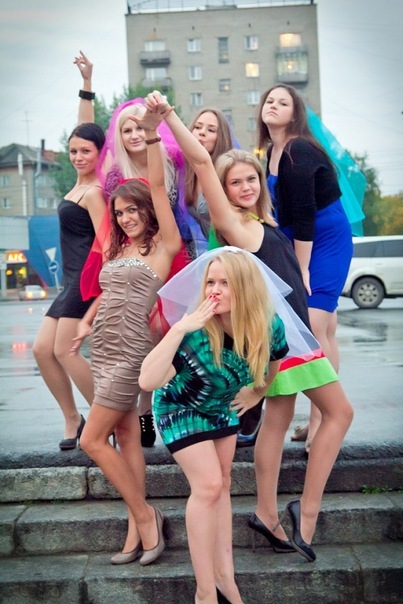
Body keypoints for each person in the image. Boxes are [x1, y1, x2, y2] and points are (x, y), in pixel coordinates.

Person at [145, 92, 353, 562]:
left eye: (251, 179)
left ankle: (268, 514)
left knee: (276, 424)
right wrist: (170, 117)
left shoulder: (264, 219)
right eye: (234, 182)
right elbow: (201, 160)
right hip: (287, 338)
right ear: (222, 189)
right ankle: (305, 515)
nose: (245, 186)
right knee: (339, 413)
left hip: (286, 335)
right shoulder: (235, 225)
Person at [139, 248, 290, 604]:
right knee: (208, 486)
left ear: (245, 288)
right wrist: (180, 327)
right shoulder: (195, 333)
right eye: (210, 282)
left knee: (222, 484)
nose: (215, 290)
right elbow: (147, 380)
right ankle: (204, 591)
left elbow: (275, 361)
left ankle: (226, 579)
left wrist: (256, 393)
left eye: (225, 283)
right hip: (180, 408)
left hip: (221, 407)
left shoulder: (268, 325)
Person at [70, 107, 182, 566]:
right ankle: (136, 530)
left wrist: (153, 135)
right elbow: (109, 291)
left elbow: (156, 184)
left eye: (133, 209)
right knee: (124, 436)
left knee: (90, 440)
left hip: (131, 350)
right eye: (119, 212)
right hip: (102, 348)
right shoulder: (120, 248)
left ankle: (146, 516)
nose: (126, 217)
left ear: (148, 210)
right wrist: (85, 322)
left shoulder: (163, 245)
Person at [74, 50, 184, 447]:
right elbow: (85, 138)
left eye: (140, 128)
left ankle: (158, 408)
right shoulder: (114, 172)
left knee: (162, 335)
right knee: (129, 333)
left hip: (165, 252)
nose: (134, 134)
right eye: (126, 129)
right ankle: (135, 415)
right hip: (128, 257)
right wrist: (87, 87)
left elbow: (163, 189)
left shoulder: (169, 160)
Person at [257, 84, 353, 453]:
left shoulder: (299, 149)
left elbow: (306, 214)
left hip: (322, 239)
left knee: (314, 323)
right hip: (298, 239)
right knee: (324, 327)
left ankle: (323, 419)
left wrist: (301, 268)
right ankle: (320, 417)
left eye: (283, 102)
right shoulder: (271, 151)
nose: (273, 105)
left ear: (295, 114)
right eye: (269, 100)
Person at [32, 57, 106, 450]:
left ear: (100, 154)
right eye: (73, 151)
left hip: (84, 281)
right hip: (69, 281)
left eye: (86, 152)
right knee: (42, 350)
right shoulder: (78, 184)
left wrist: (103, 292)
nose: (78, 156)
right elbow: (86, 129)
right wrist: (86, 84)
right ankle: (73, 418)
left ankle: (108, 417)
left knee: (65, 349)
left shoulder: (95, 192)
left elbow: (108, 243)